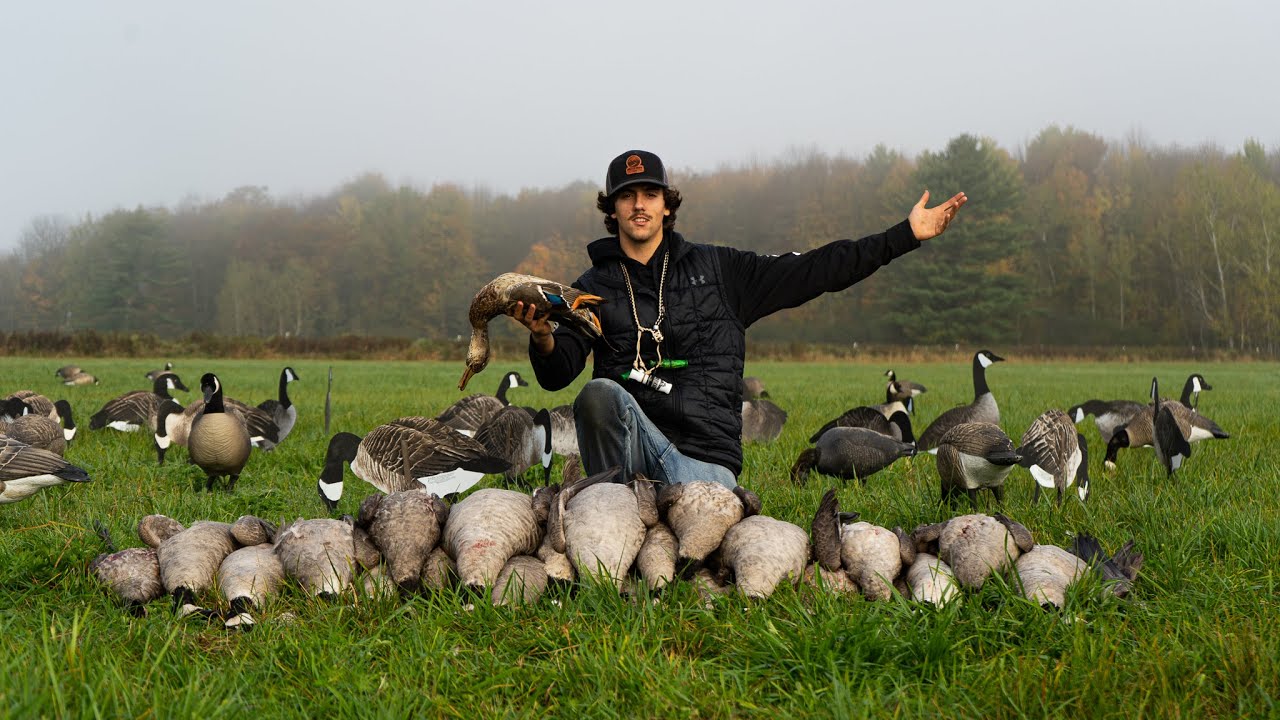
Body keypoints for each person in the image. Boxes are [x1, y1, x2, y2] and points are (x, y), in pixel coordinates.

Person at [509, 149, 966, 489]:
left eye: (650, 193)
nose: (639, 205)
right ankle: (618, 512)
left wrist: (904, 235)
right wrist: (544, 338)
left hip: (702, 465)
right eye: (627, 196)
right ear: (612, 210)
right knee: (598, 395)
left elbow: (818, 269)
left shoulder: (722, 271)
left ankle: (637, 516)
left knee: (691, 507)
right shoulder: (591, 288)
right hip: (631, 464)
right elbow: (557, 374)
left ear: (667, 205)